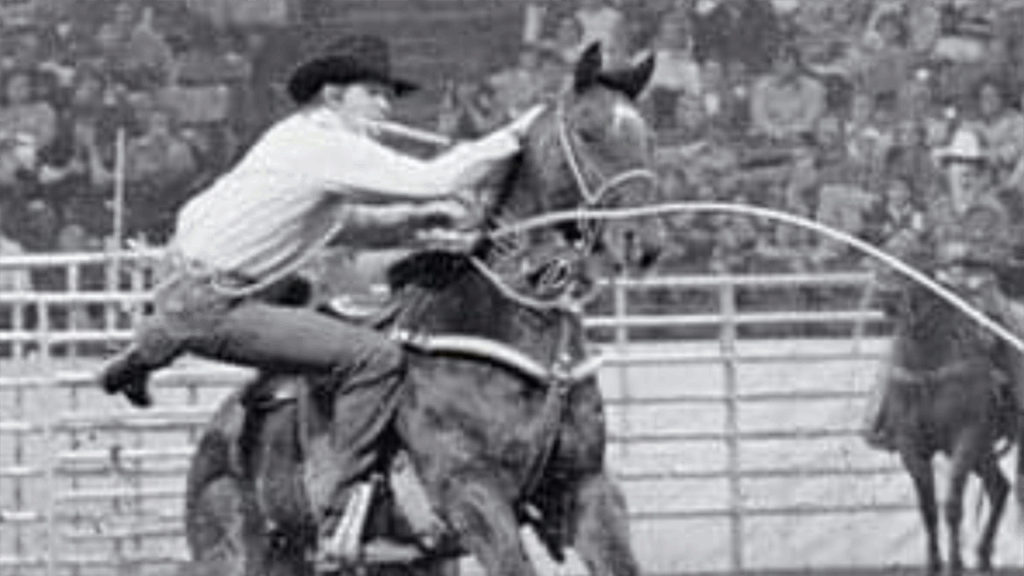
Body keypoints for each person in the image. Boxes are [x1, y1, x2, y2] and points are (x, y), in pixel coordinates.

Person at [96, 35, 543, 561]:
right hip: (217, 304)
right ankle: (341, 508)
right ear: (333, 95)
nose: (384, 106)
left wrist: (414, 221)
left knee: (319, 306)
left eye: (386, 96)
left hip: (204, 284)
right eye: (373, 93)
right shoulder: (325, 146)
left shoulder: (297, 139)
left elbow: (342, 224)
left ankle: (146, 353)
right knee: (375, 356)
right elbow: (432, 179)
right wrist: (514, 134)